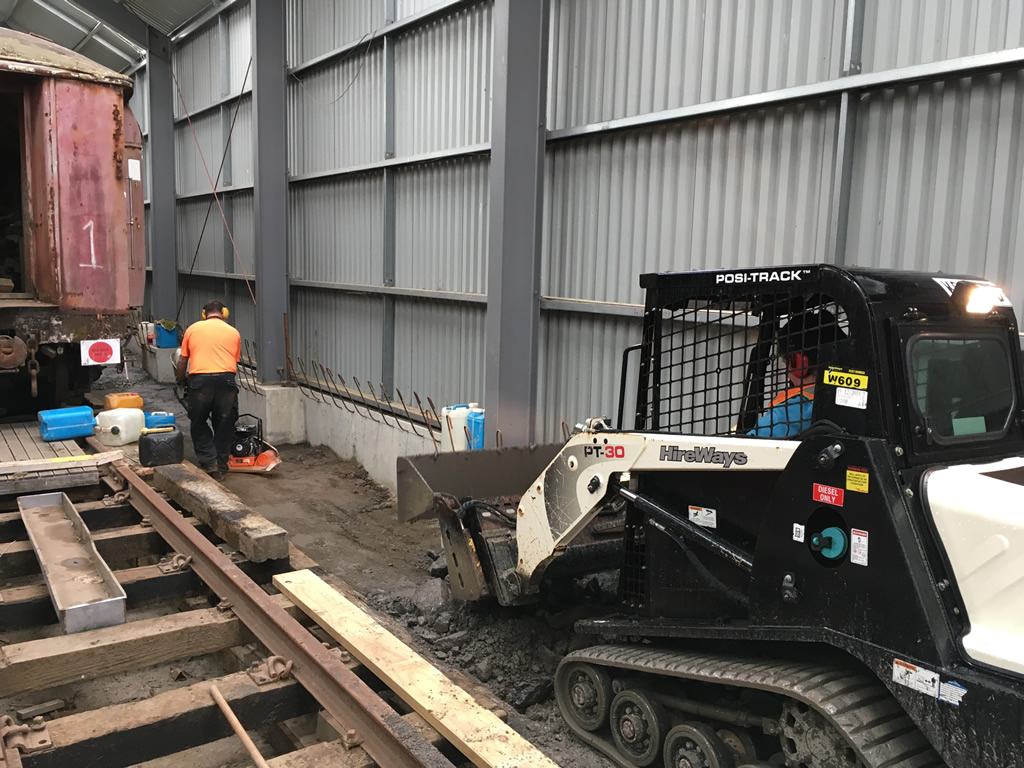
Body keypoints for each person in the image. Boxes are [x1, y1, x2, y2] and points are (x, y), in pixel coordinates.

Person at [749, 308, 845, 438]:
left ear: (799, 364)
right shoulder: (850, 402)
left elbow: (749, 444)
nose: (786, 373)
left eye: (786, 364)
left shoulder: (790, 412)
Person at [175, 300, 240, 479]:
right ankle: (221, 467)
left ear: (204, 314)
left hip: (200, 382)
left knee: (198, 421)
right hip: (226, 382)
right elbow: (234, 360)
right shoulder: (233, 332)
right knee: (225, 423)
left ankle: (209, 461)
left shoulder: (192, 329)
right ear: (224, 313)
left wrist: (180, 379)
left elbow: (182, 359)